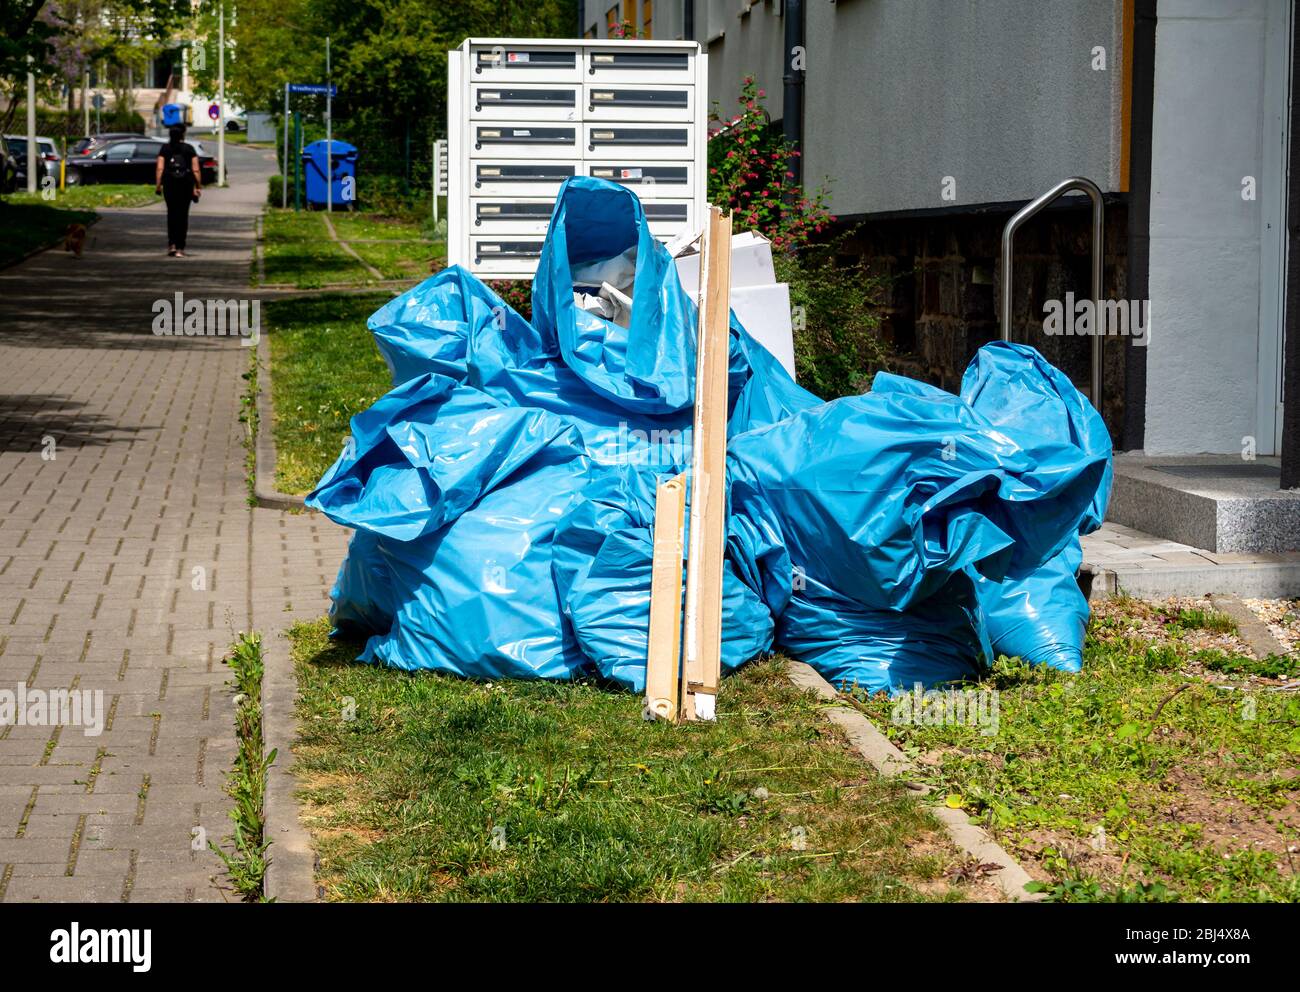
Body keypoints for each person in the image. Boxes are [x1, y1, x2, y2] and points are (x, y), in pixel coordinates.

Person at [154, 125, 202, 257]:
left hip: (170, 185)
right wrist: (198, 186)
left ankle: (172, 245)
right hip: (186, 185)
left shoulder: (165, 149)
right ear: (183, 135)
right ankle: (180, 248)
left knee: (172, 214)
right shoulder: (189, 149)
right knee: (182, 215)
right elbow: (196, 170)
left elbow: (160, 168)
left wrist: (158, 185)